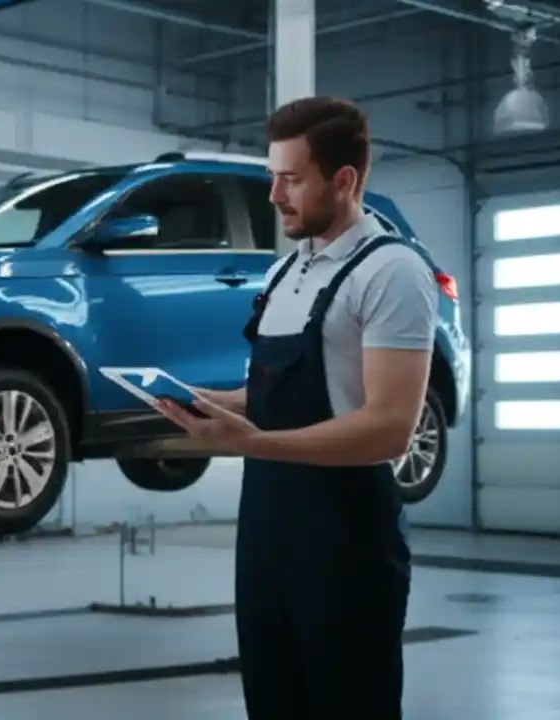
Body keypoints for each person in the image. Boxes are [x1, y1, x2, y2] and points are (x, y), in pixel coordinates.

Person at [156, 96, 438, 719]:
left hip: (346, 535)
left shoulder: (392, 273)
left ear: (345, 180)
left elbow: (390, 428)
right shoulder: (284, 272)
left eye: (291, 180)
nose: (274, 196)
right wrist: (198, 401)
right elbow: (272, 391)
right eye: (271, 177)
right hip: (267, 528)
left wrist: (250, 442)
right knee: (273, 699)